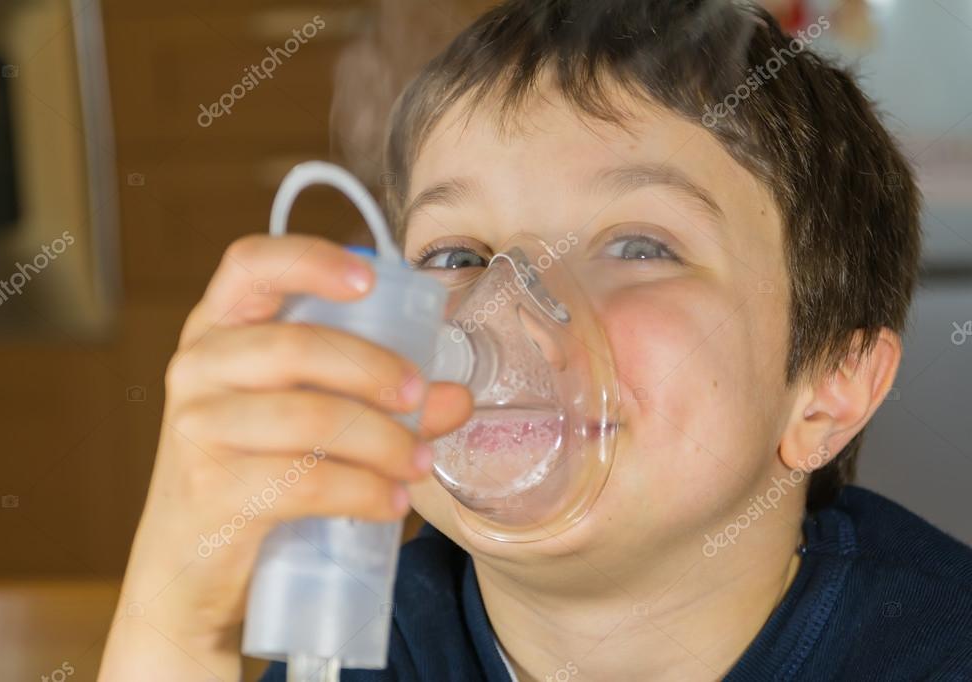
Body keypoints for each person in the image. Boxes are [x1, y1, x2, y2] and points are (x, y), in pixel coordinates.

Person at [99, 1, 972, 680]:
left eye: (636, 246)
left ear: (830, 387)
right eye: (456, 254)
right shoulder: (373, 640)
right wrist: (178, 618)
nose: (504, 309)